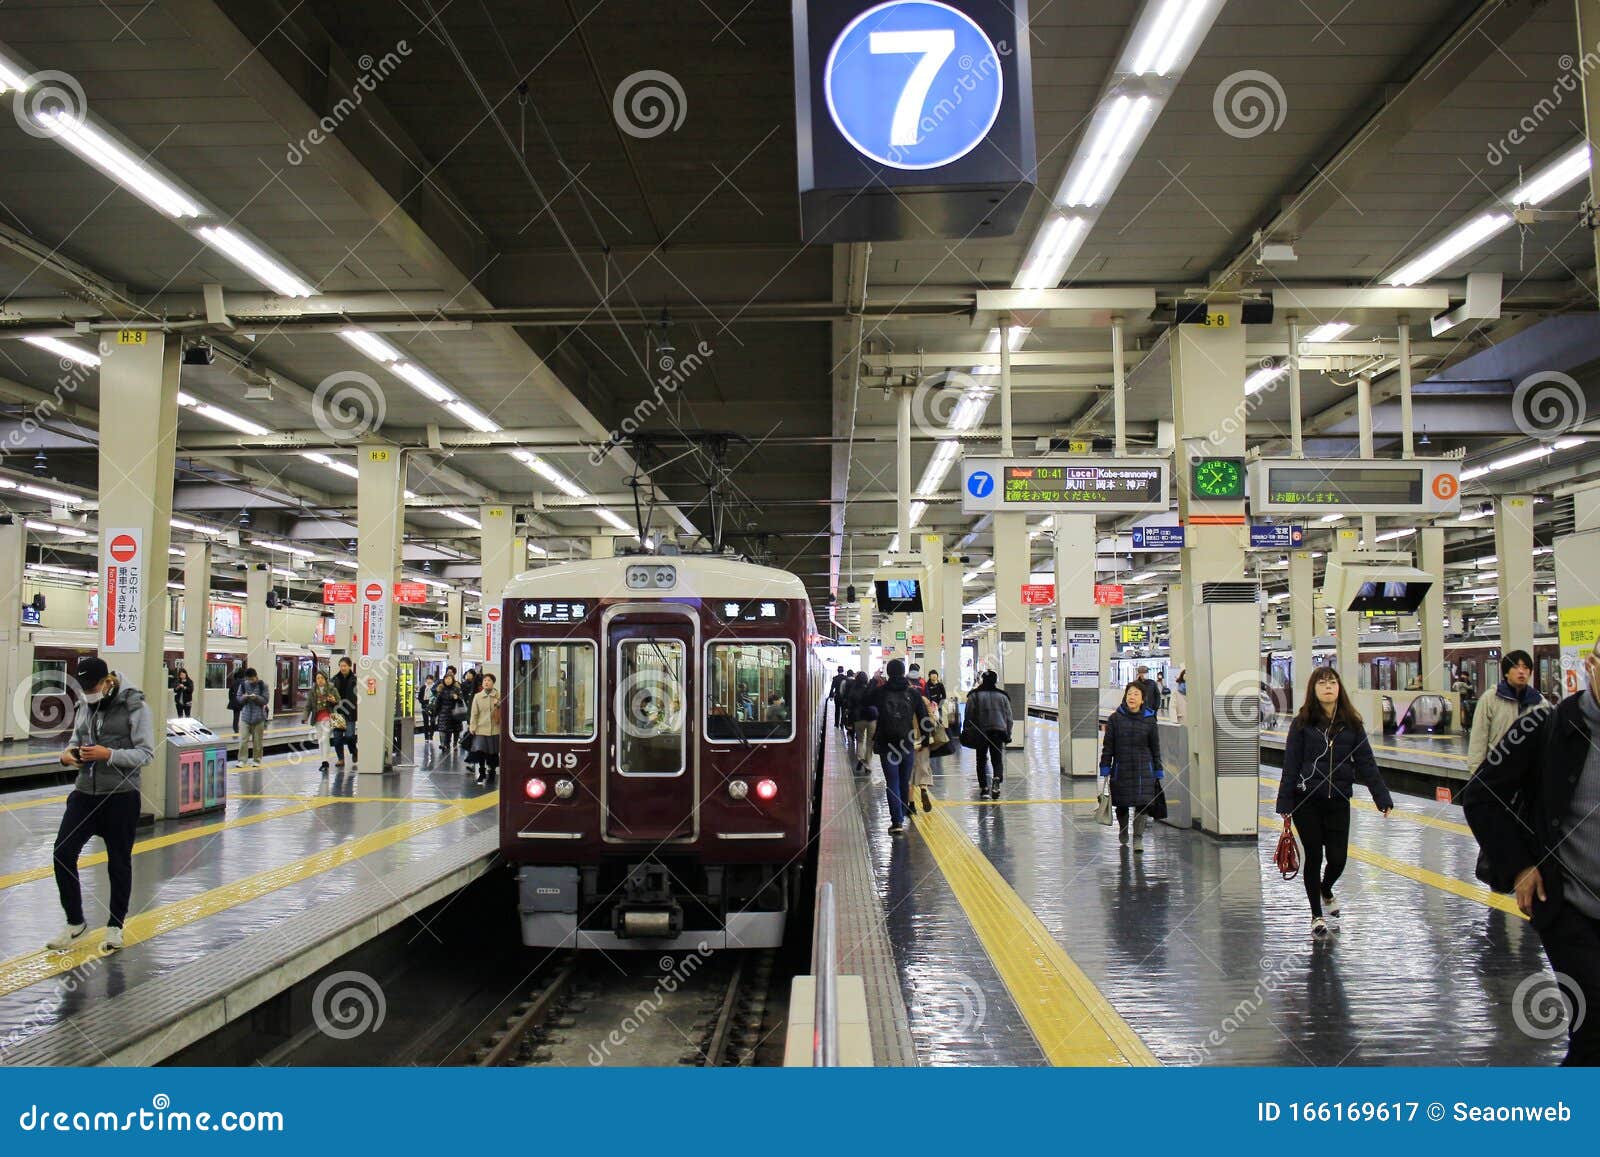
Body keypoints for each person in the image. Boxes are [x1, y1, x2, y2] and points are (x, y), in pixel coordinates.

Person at [1462, 651, 1600, 1066]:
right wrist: (1520, 866)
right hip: (1570, 904)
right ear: (1593, 664)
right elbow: (1481, 796)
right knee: (1594, 1027)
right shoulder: (1546, 724)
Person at [1275, 667, 1394, 939]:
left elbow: (1366, 762)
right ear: (1313, 689)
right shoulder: (1302, 724)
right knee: (1314, 856)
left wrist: (1381, 797)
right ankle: (1316, 915)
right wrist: (1285, 802)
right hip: (1307, 800)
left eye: (1332, 682)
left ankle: (1325, 888)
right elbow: (1290, 765)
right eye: (1322, 683)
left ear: (1339, 687)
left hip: (1339, 799)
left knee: (1338, 859)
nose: (1328, 687)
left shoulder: (1351, 724)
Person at [47, 657, 153, 953]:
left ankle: (115, 926)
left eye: (93, 686)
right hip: (84, 793)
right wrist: (67, 755)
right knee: (62, 853)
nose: (89, 692)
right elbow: (74, 740)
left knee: (118, 862)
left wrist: (109, 754)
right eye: (85, 688)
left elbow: (146, 754)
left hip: (120, 796)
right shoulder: (85, 704)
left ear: (108, 681)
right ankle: (75, 923)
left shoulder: (136, 706)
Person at [864, 659, 929, 834]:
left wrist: (874, 679)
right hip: (906, 742)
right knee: (904, 781)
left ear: (888, 672)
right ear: (903, 672)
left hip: (887, 744)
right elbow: (924, 717)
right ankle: (902, 811)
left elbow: (865, 700)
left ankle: (897, 821)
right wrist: (925, 739)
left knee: (892, 781)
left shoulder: (880, 692)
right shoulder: (913, 693)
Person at [1100, 683, 1163, 853]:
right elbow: (1108, 746)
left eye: (1136, 694)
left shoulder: (1150, 720)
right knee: (1122, 804)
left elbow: (1155, 747)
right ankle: (1122, 829)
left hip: (1144, 769)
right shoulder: (1115, 719)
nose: (1132, 697)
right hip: (1121, 768)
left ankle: (1138, 838)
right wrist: (1105, 766)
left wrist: (1158, 769)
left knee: (1143, 805)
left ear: (1142, 699)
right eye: (1129, 694)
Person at [1466, 649, 1542, 771]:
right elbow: (1479, 737)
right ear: (1506, 673)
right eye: (1516, 667)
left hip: (1528, 772)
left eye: (1526, 668)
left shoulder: (1539, 702)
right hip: (1497, 770)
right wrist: (1476, 772)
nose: (1521, 672)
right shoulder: (1490, 698)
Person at [965, 670, 1013, 800]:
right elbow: (1009, 718)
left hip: (980, 732)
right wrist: (1008, 733)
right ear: (995, 681)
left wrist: (966, 731)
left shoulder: (974, 695)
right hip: (998, 731)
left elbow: (968, 715)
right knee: (997, 759)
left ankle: (984, 789)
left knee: (981, 760)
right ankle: (996, 779)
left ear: (982, 680)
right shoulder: (1003, 696)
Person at [468, 672, 502, 786]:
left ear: (493, 683)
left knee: (493, 753)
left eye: (489, 680)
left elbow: (504, 712)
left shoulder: (498, 695)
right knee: (480, 752)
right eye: (484, 681)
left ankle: (491, 772)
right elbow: (474, 713)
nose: (486, 682)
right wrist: (472, 726)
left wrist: (499, 705)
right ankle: (481, 772)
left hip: (495, 730)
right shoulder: (477, 696)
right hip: (480, 729)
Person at [304, 669, 339, 774]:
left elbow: (339, 700)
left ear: (325, 679)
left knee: (326, 738)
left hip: (328, 717)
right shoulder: (313, 691)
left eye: (321, 678)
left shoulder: (332, 688)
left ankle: (325, 762)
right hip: (317, 718)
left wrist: (334, 700)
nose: (319, 680)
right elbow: (308, 705)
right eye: (317, 678)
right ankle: (323, 761)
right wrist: (305, 717)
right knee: (321, 740)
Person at [236, 667, 269, 767]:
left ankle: (257, 760)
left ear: (256, 676)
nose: (250, 681)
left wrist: (256, 698)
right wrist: (244, 698)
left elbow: (265, 700)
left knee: (257, 741)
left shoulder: (263, 685)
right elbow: (238, 698)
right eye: (248, 679)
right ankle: (242, 760)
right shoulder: (243, 685)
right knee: (243, 739)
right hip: (245, 717)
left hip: (258, 718)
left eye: (252, 679)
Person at [330, 656, 360, 769]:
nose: (343, 668)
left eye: (345, 666)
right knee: (337, 738)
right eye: (341, 666)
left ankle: (354, 751)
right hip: (337, 712)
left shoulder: (355, 680)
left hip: (350, 712)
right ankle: (340, 759)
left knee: (349, 736)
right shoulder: (333, 680)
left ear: (349, 666)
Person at [847, 672, 873, 772]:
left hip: (858, 719)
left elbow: (849, 706)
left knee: (860, 740)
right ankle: (868, 764)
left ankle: (860, 759)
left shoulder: (853, 691)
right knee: (870, 742)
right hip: (871, 718)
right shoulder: (869, 689)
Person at [434, 672, 465, 755]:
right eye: (446, 679)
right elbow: (438, 702)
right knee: (443, 730)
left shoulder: (457, 689)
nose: (447, 680)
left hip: (455, 713)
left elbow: (462, 700)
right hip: (443, 713)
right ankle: (444, 744)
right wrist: (435, 712)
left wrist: (457, 698)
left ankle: (455, 743)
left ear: (453, 680)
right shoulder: (441, 689)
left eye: (449, 679)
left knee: (456, 730)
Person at [419, 673, 438, 746]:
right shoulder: (423, 687)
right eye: (428, 679)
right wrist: (424, 703)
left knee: (432, 722)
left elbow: (436, 697)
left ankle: (431, 736)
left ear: (433, 680)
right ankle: (426, 737)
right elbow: (420, 697)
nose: (429, 681)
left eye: (430, 679)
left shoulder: (435, 687)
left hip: (433, 706)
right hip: (424, 706)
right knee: (425, 722)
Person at [227, 665, 245, 735]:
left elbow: (230, 693)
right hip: (243, 701)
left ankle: (236, 730)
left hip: (235, 702)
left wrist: (232, 700)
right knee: (245, 716)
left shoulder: (234, 682)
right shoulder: (244, 683)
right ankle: (245, 729)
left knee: (236, 717)